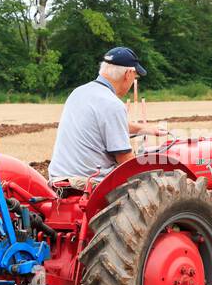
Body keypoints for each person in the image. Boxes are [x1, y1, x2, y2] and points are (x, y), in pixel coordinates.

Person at [48, 47, 166, 185]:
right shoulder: (112, 104)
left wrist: (148, 130)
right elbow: (125, 160)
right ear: (128, 74)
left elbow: (108, 125)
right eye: (136, 76)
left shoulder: (79, 92)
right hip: (90, 182)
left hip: (58, 177)